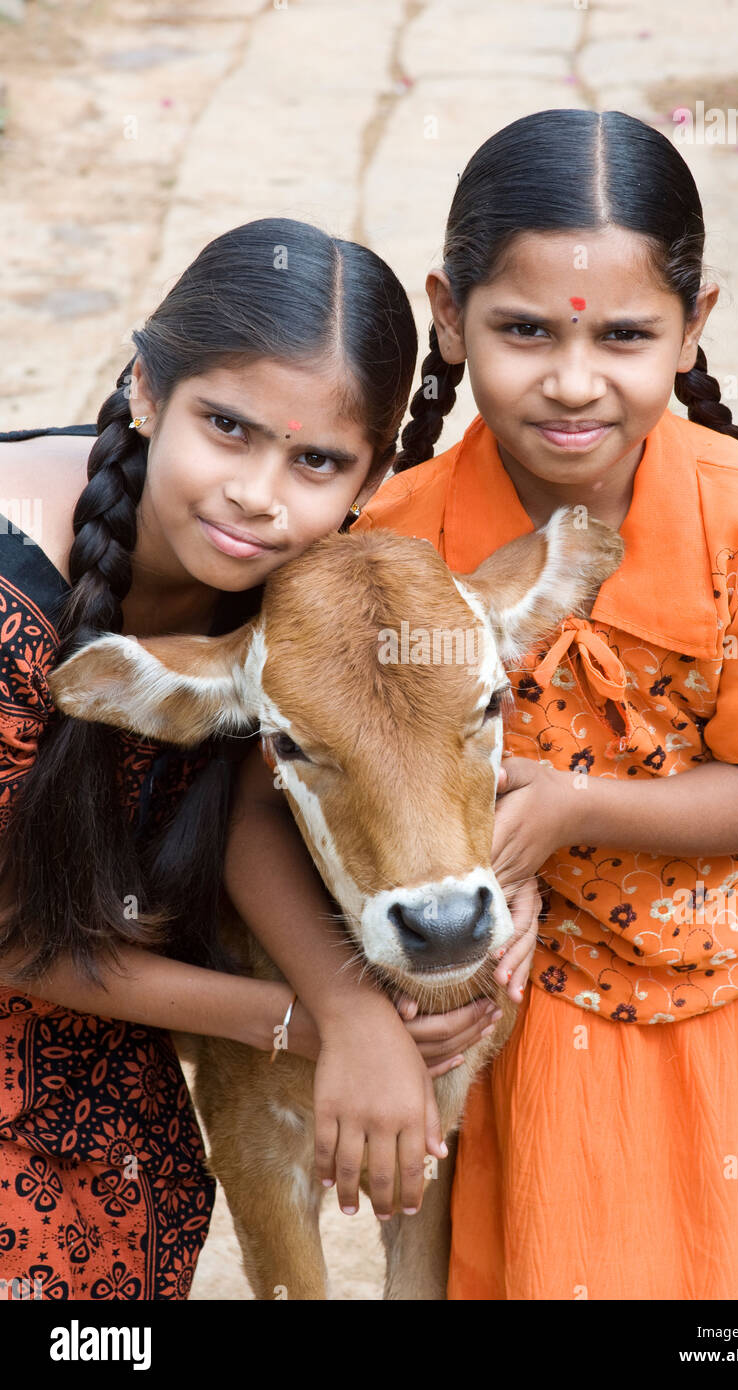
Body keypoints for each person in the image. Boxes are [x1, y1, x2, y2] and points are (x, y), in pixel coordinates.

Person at [349, 108, 738, 1299]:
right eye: (522, 330)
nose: (572, 381)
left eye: (626, 335)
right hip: (542, 993)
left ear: (694, 329)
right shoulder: (393, 541)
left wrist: (572, 804)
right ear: (448, 314)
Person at [0, 217, 519, 1299]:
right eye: (227, 427)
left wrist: (357, 1010)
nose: (259, 493)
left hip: (97, 962)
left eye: (317, 458)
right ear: (146, 390)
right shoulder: (15, 604)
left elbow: (247, 786)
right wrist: (300, 1023)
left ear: (373, 476)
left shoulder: (293, 572)